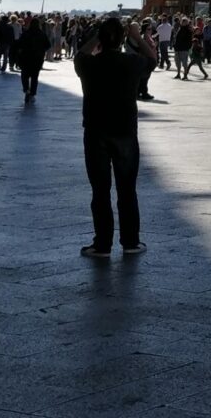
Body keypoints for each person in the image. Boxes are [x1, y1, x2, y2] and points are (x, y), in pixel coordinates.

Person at [75, 17, 149, 257]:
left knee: (100, 190)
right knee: (127, 189)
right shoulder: (132, 62)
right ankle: (130, 242)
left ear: (101, 40)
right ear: (122, 40)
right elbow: (153, 58)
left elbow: (80, 53)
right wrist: (136, 37)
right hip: (125, 130)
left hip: (96, 131)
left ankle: (102, 244)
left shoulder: (88, 64)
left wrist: (98, 35)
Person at [14, 16, 49, 103]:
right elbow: (48, 45)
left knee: (24, 75)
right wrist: (41, 50)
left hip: (26, 58)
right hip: (37, 59)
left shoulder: (26, 33)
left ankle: (26, 89)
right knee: (34, 77)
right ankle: (32, 94)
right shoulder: (42, 34)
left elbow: (19, 44)